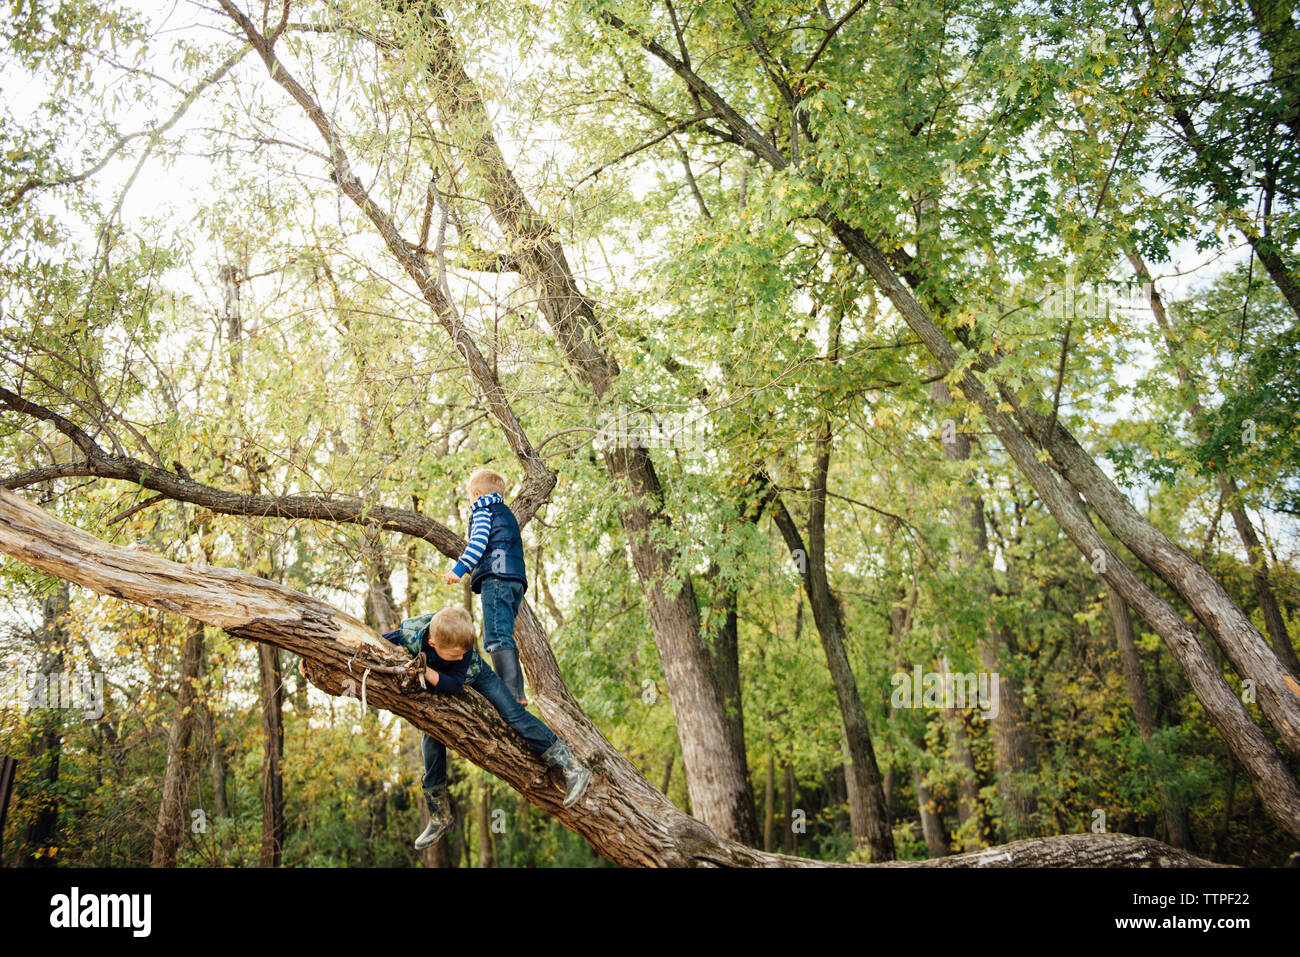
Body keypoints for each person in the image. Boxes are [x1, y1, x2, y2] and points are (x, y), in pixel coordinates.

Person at [382, 605, 591, 850]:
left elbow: (454, 685)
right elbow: (380, 641)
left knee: (514, 715)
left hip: (478, 677)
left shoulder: (465, 655)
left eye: (464, 652)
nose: (460, 657)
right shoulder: (411, 634)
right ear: (433, 642)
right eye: (454, 654)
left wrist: (427, 671)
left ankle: (571, 766)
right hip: (434, 682)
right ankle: (440, 814)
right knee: (429, 737)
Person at [442, 467, 530, 704]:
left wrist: (458, 571)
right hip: (515, 582)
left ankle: (512, 694)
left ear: (478, 494)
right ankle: (513, 690)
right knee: (502, 633)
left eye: (470, 496)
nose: (470, 501)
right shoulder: (506, 513)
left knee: (496, 636)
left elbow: (478, 543)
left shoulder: (483, 510)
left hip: (497, 579)